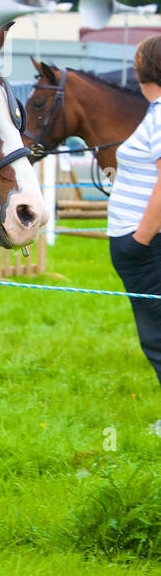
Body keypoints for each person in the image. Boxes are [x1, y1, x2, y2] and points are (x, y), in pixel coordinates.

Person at [108, 34, 161, 388]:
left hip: (147, 245)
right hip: (141, 245)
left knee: (157, 339)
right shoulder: (153, 112)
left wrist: (140, 238)